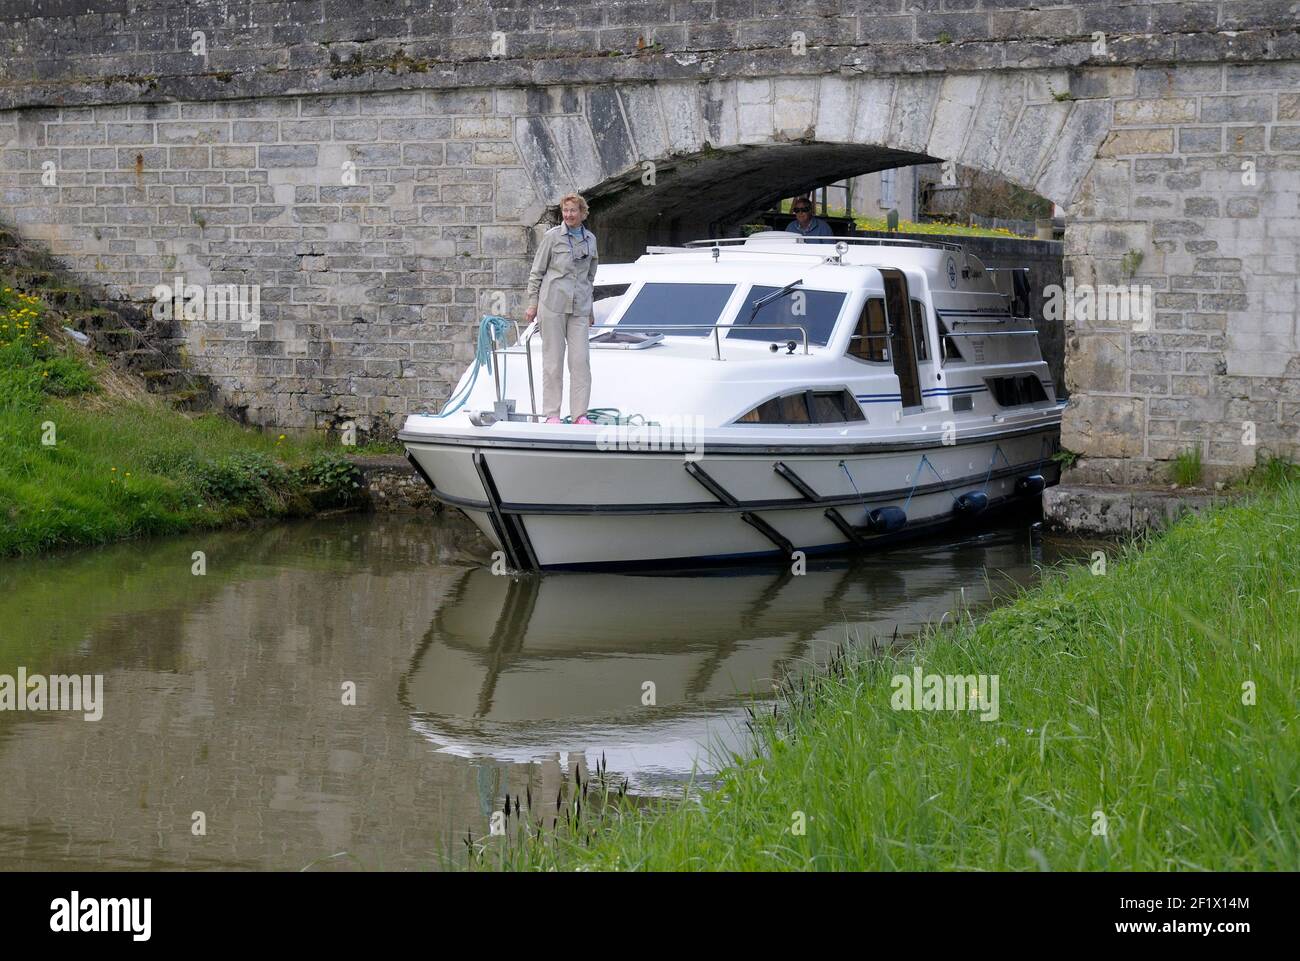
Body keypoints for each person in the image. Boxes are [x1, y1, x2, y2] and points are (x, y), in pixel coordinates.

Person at [524, 194, 599, 425]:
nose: (568, 215)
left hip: (580, 307)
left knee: (580, 361)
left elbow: (590, 276)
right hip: (552, 306)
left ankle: (580, 415)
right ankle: (552, 414)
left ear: (582, 212)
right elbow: (537, 272)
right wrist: (532, 304)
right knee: (553, 362)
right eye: (565, 211)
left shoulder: (590, 239)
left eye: (573, 211)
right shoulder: (552, 237)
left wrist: (590, 310)